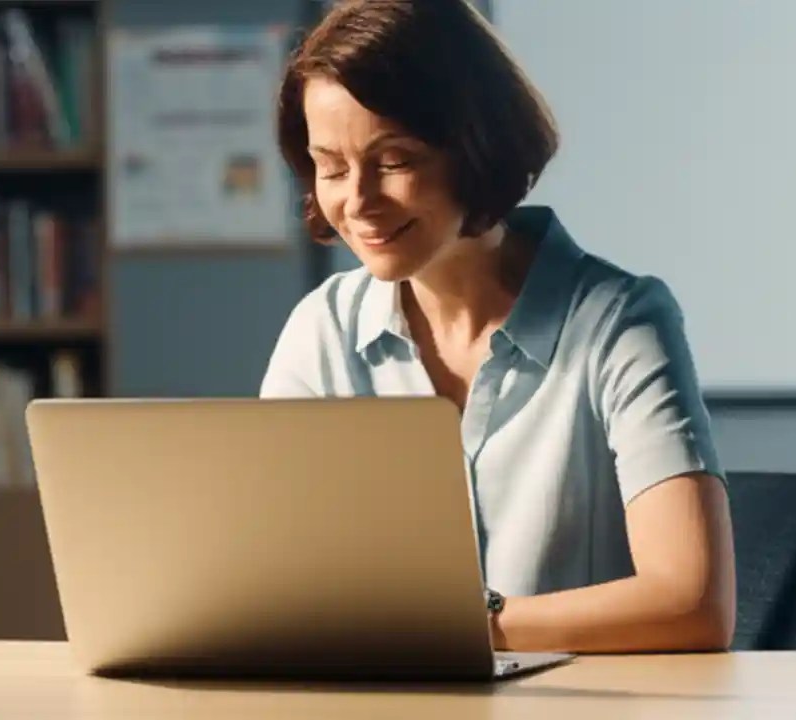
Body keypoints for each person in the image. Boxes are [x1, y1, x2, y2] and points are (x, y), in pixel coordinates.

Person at [262, 0, 736, 653]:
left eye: (394, 161)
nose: (358, 201)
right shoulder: (323, 331)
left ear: (477, 148)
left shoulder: (620, 322)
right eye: (333, 168)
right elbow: (267, 582)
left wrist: (459, 624)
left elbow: (693, 603)